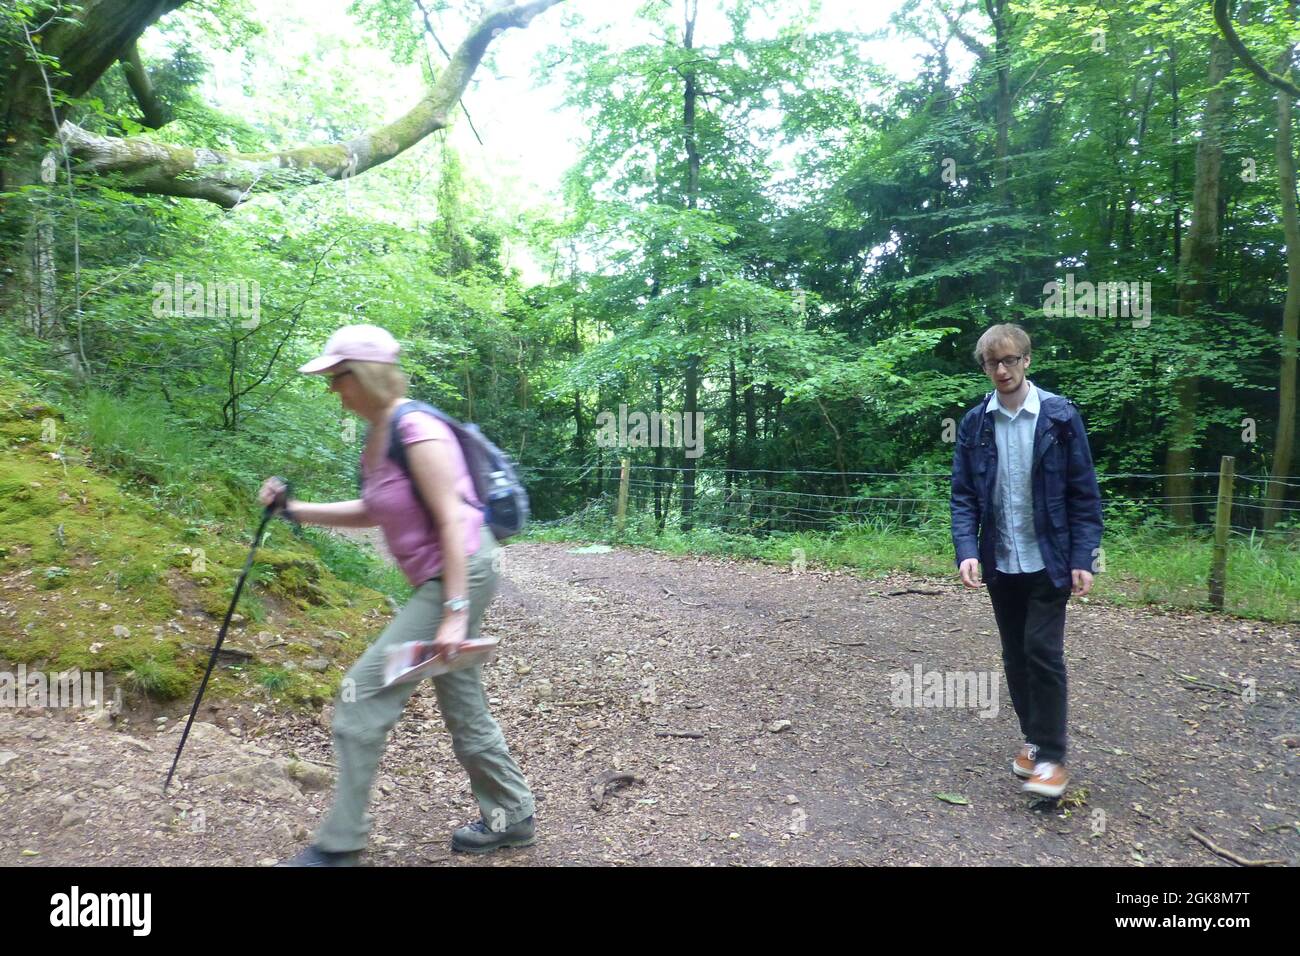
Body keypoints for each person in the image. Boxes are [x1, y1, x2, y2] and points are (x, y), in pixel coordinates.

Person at [262, 323, 536, 865]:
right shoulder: (378, 433)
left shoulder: (415, 429)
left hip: (460, 573)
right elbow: (374, 510)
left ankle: (340, 845)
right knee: (461, 701)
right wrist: (293, 511)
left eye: (337, 377)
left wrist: (455, 612)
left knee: (361, 696)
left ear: (364, 374)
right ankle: (511, 815)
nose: (331, 389)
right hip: (448, 577)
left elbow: (456, 518)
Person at [949, 323, 1103, 798]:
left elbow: (1084, 493)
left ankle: (1053, 758)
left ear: (1027, 361)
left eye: (1010, 359)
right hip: (1000, 560)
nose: (1001, 369)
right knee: (1015, 655)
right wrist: (967, 550)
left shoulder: (1059, 416)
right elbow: (963, 497)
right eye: (992, 363)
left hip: (1050, 560)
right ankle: (1035, 743)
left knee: (1042, 651)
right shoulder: (975, 423)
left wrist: (1084, 556)